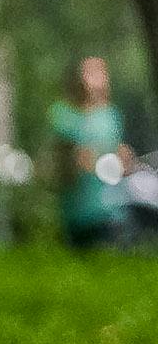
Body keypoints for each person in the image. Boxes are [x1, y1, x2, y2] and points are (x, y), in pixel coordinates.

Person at [49, 57, 133, 252]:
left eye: (101, 73)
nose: (97, 79)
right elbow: (63, 164)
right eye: (90, 73)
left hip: (112, 213)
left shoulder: (112, 116)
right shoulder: (63, 116)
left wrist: (124, 160)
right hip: (77, 214)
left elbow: (119, 154)